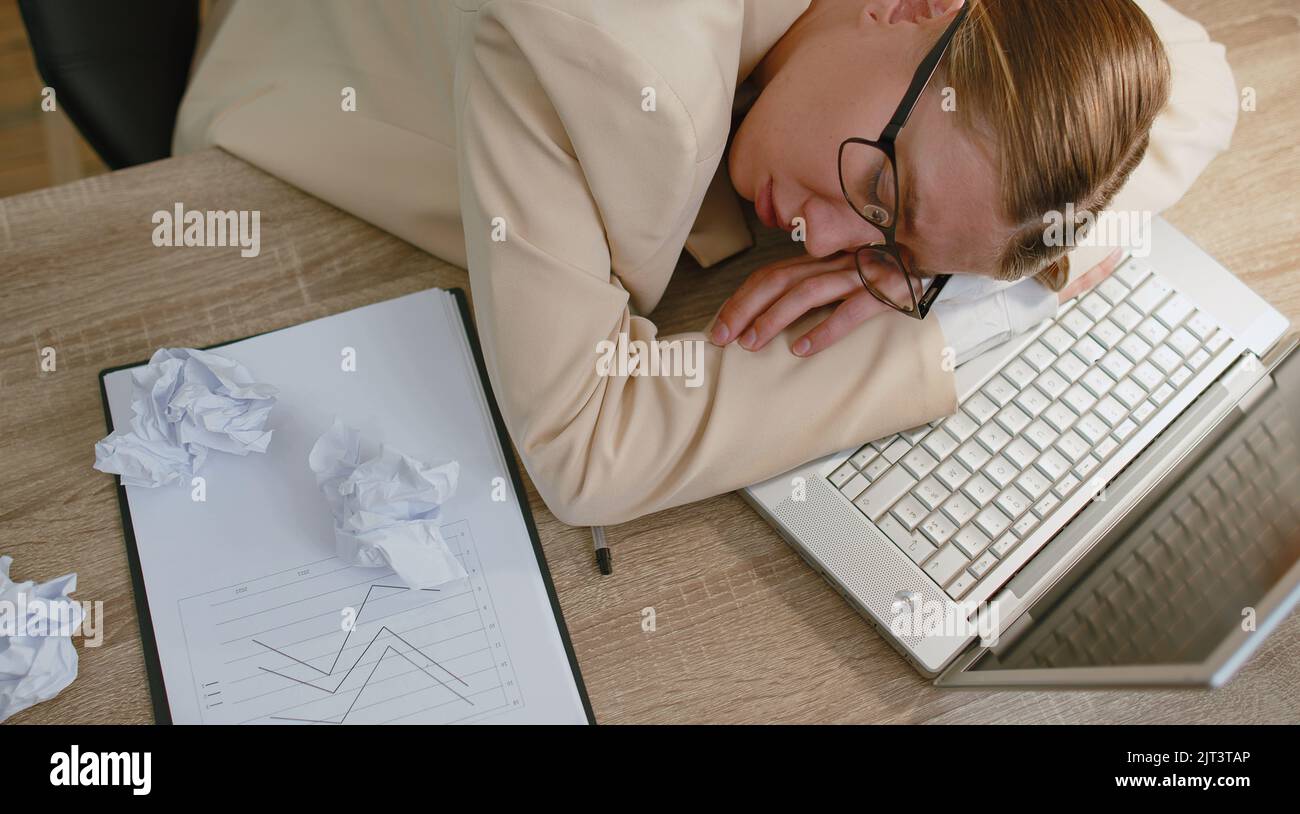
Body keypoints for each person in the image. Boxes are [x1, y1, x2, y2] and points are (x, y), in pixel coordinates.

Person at [174, 0, 1238, 525]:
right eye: (878, 194)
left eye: (889, 251)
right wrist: (961, 327)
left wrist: (953, 258)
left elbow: (1198, 75)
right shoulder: (594, 51)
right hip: (311, 123)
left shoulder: (965, 40)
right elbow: (582, 445)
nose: (825, 247)